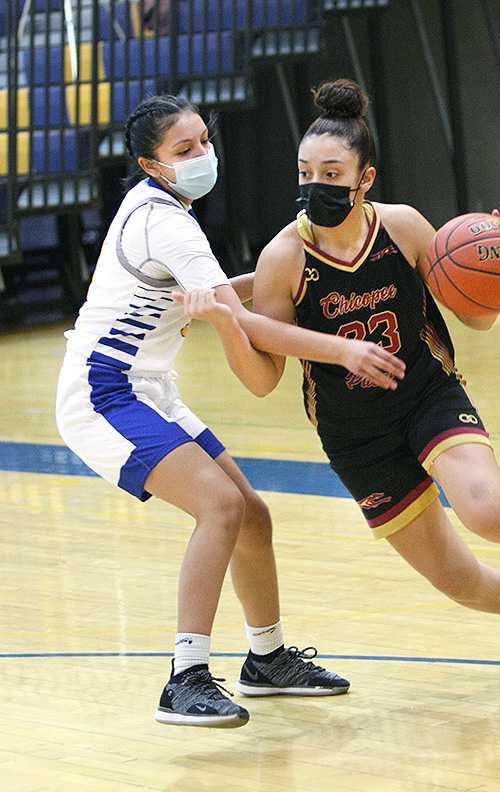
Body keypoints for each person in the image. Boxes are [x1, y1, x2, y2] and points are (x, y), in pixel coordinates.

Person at [247, 78, 500, 681]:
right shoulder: (283, 258)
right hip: (356, 436)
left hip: (428, 396)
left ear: (364, 178)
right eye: (305, 173)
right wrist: (240, 324)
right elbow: (265, 359)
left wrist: (497, 266)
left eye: (330, 172)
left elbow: (475, 318)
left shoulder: (402, 228)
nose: (313, 186)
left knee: (488, 513)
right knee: (455, 579)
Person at [55, 94, 406, 728]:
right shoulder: (166, 221)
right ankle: (183, 678)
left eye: (204, 143)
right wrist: (343, 350)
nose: (201, 157)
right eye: (183, 151)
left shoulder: (165, 210)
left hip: (148, 386)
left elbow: (223, 297)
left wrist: (291, 278)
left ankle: (266, 660)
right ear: (150, 164)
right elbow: (243, 323)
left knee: (252, 515)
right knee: (220, 507)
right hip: (102, 392)